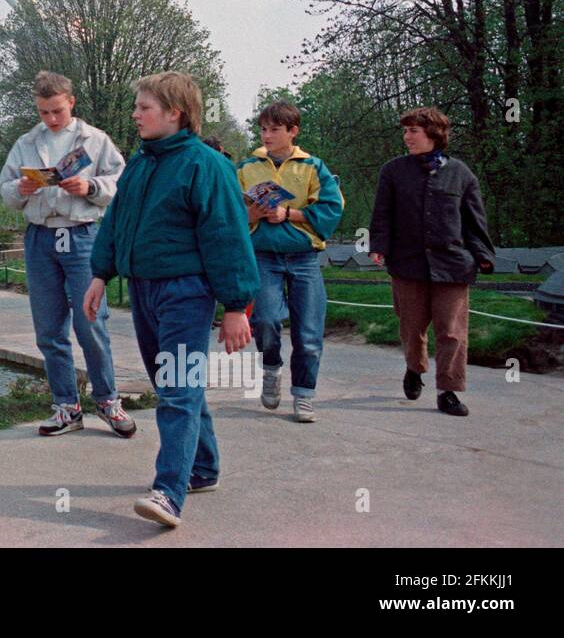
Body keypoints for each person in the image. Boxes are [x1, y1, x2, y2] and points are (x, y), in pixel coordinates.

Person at [85, 71, 259, 529]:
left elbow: (227, 236)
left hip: (186, 292)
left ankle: (168, 493)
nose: (135, 114)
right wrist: (100, 275)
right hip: (143, 290)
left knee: (178, 390)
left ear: (175, 113)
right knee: (173, 385)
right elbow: (114, 222)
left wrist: (237, 306)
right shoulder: (140, 165)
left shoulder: (207, 165)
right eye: (137, 106)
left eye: (144, 107)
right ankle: (203, 468)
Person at [0, 70, 134, 438]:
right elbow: (6, 191)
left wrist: (90, 185)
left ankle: (107, 400)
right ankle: (66, 406)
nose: (51, 119)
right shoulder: (26, 143)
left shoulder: (96, 141)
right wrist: (22, 187)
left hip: (82, 235)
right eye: (44, 112)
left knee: (90, 321)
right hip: (41, 236)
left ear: (71, 103)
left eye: (57, 110)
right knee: (48, 327)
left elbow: (121, 182)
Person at [368, 107, 494, 417]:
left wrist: (483, 256)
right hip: (407, 264)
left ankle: (447, 391)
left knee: (451, 331)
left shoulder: (461, 174)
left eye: (413, 131)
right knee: (412, 328)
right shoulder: (393, 171)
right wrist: (378, 246)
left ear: (433, 135)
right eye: (406, 131)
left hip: (452, 265)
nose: (406, 137)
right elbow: (382, 214)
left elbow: (474, 221)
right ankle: (415, 368)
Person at [236, 101, 344, 423]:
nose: (267, 135)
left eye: (275, 129)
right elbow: (227, 212)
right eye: (263, 129)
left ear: (293, 131)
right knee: (265, 320)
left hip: (305, 258)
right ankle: (271, 368)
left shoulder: (313, 166)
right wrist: (251, 214)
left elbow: (332, 208)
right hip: (263, 255)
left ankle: (304, 395)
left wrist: (289, 214)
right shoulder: (245, 168)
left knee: (309, 332)